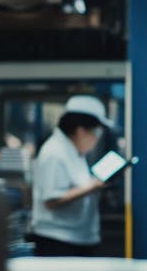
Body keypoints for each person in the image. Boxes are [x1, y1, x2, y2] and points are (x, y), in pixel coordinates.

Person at [31, 95, 114, 257]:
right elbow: (52, 200)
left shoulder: (75, 152)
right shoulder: (55, 153)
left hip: (76, 238)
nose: (97, 138)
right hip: (58, 242)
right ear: (80, 130)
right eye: (96, 131)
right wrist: (92, 186)